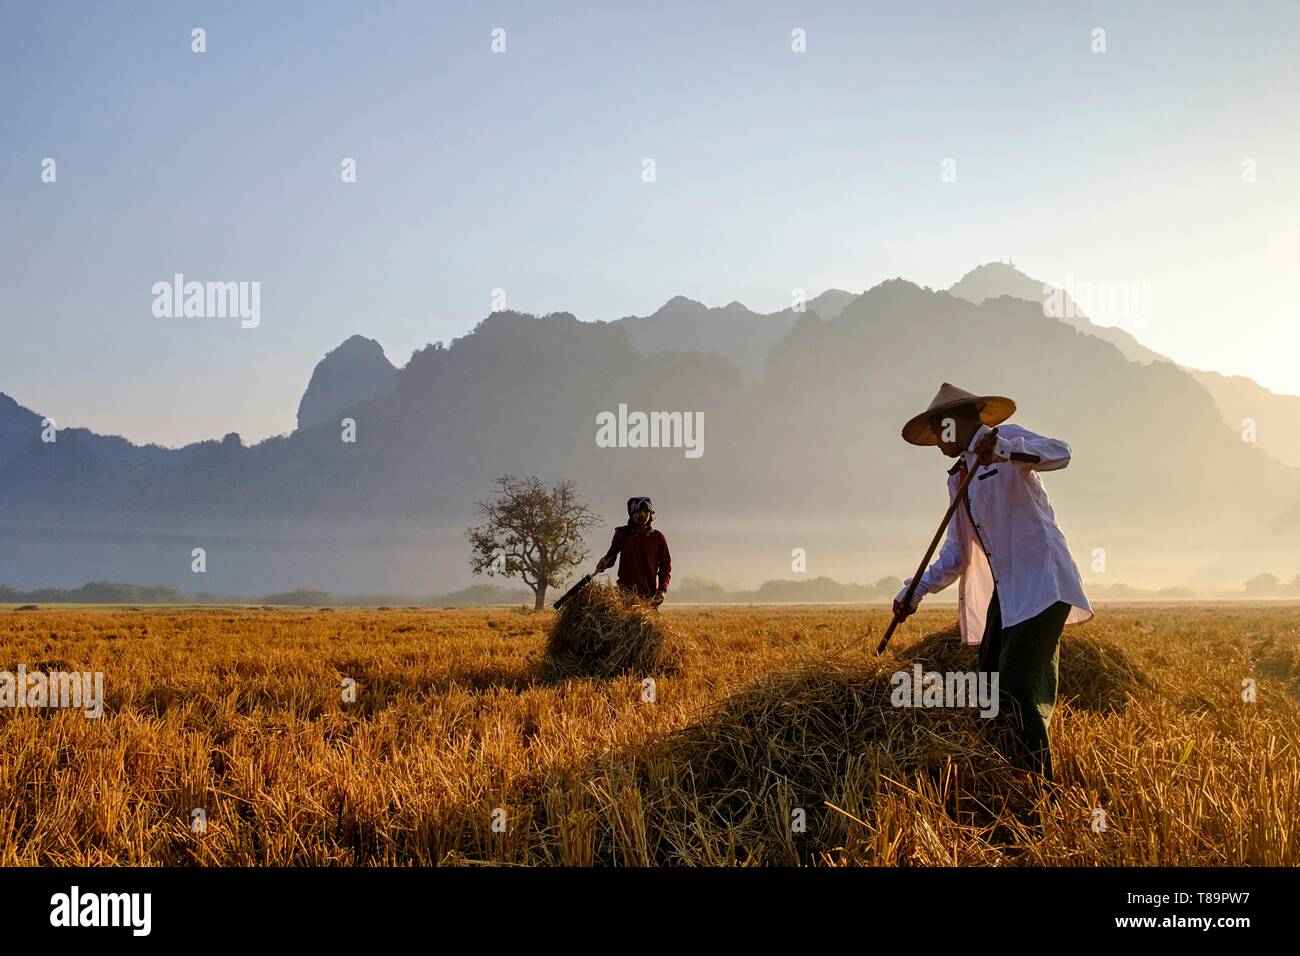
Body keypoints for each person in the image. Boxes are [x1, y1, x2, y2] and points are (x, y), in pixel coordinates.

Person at [893, 383, 1093, 782]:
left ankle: (1037, 785)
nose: (937, 441)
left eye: (940, 428)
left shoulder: (1009, 440)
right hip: (1008, 590)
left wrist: (1001, 452)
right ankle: (1000, 773)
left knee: (1018, 682)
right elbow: (957, 552)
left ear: (961, 421)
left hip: (1043, 583)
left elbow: (1062, 453)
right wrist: (912, 593)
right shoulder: (958, 478)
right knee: (987, 681)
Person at [595, 496, 671, 607]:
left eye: (646, 511)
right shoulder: (622, 534)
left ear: (650, 514)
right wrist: (604, 562)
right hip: (624, 595)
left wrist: (662, 590)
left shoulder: (658, 538)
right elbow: (611, 556)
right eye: (638, 511)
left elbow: (666, 566)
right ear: (631, 513)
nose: (642, 514)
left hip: (649, 597)